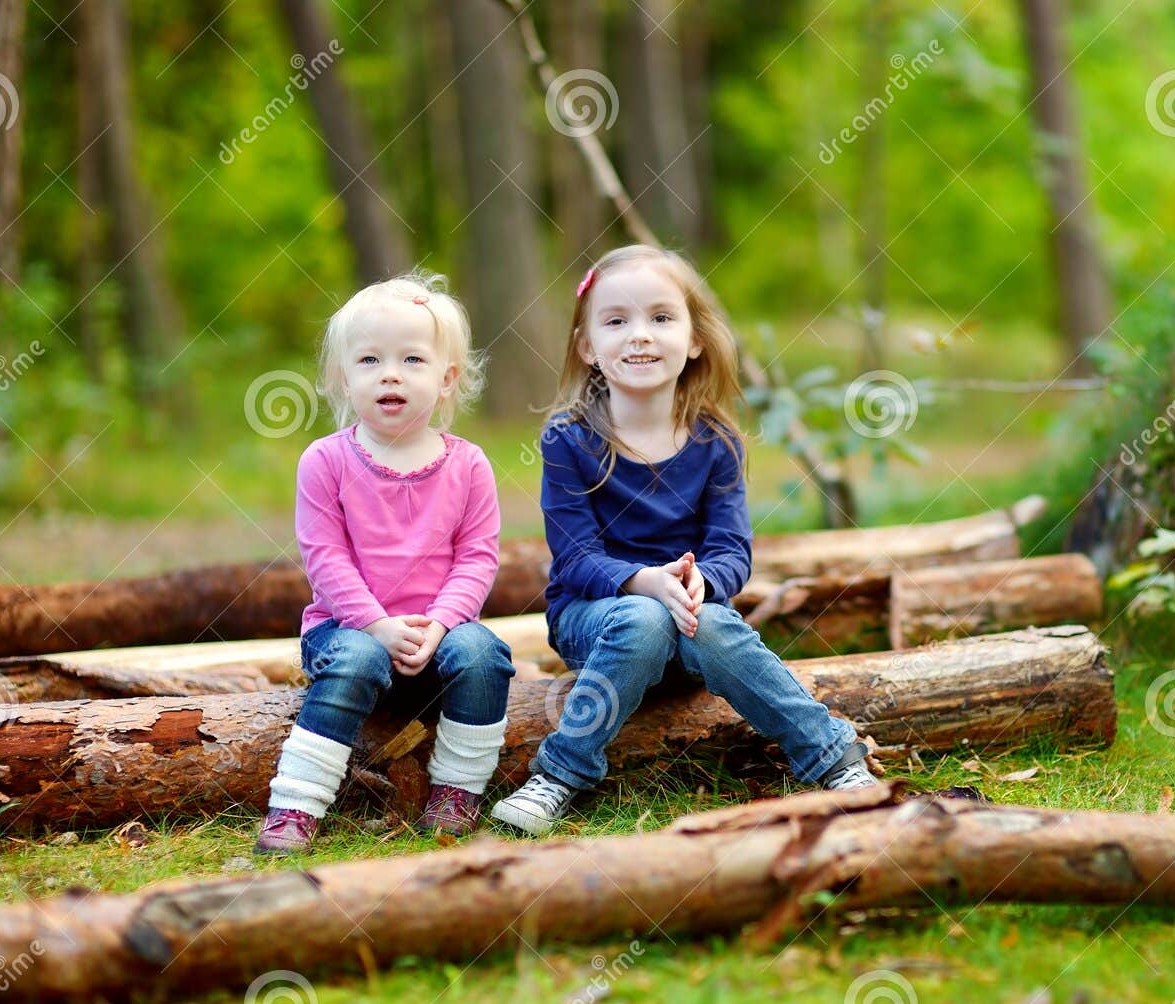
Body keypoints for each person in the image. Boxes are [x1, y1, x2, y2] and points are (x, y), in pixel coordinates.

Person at [490, 245, 877, 836]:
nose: (639, 336)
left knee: (715, 623)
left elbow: (731, 550)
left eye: (661, 318)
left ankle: (833, 761)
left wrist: (704, 581)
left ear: (695, 338)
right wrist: (645, 582)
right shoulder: (568, 440)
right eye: (616, 321)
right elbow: (575, 558)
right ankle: (560, 775)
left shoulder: (715, 441)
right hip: (594, 620)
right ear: (587, 346)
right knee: (644, 618)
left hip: (696, 617)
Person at [255, 272, 514, 854]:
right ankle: (296, 803)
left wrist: (442, 623)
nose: (389, 373)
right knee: (355, 658)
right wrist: (376, 624)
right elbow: (325, 557)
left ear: (446, 380)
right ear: (345, 378)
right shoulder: (325, 461)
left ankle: (456, 792)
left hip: (438, 633)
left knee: (484, 654)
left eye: (411, 359)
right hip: (348, 629)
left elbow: (477, 557)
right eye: (369, 359)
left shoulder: (469, 466)